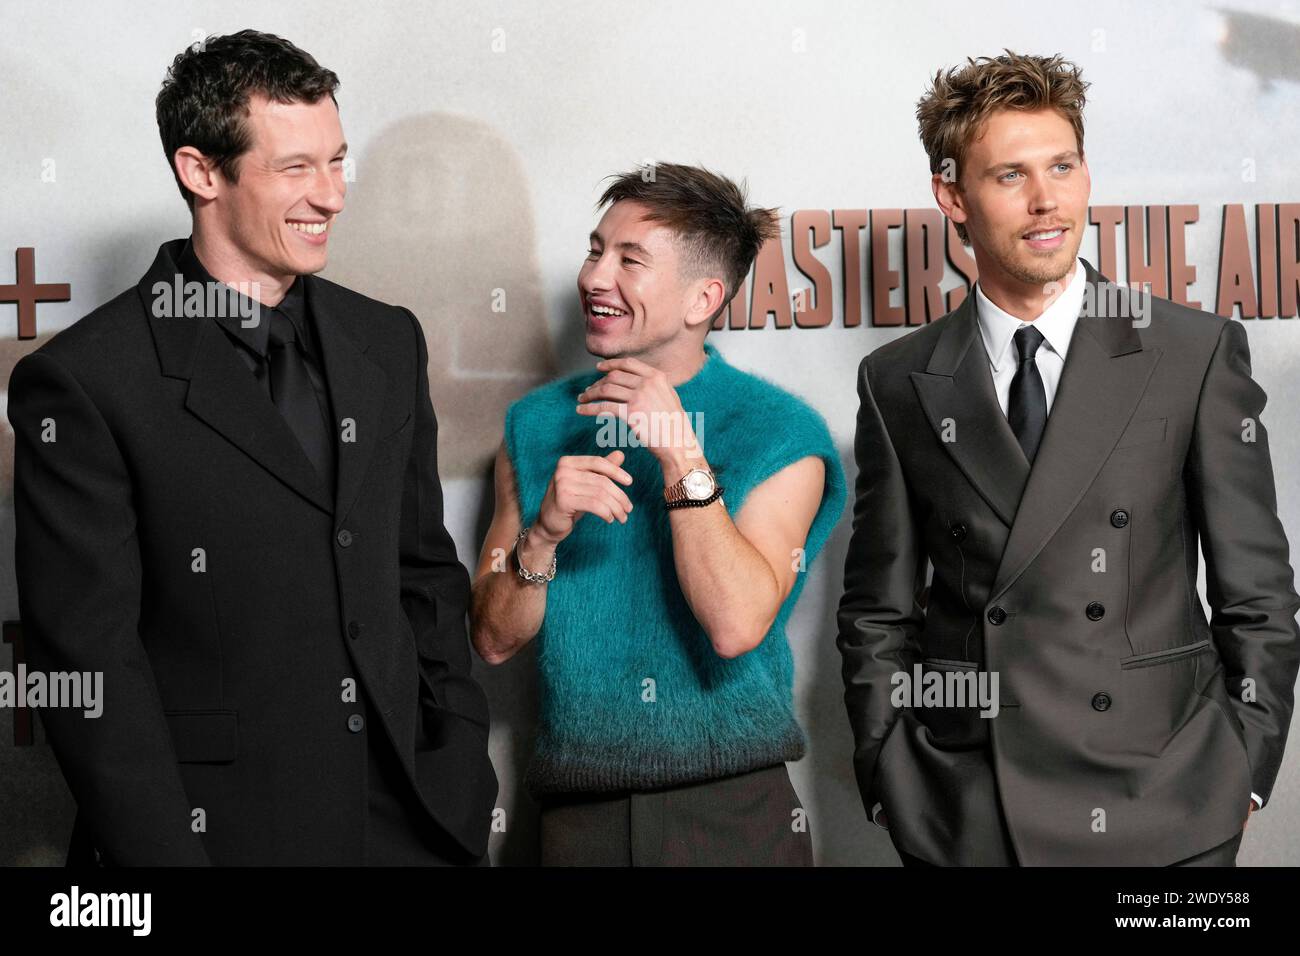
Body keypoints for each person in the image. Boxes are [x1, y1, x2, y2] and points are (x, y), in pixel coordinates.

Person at [9, 29, 497, 865]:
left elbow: (422, 574)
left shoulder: (385, 341)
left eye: (337, 161)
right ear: (201, 172)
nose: (332, 196)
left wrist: (457, 774)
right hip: (226, 837)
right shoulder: (87, 382)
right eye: (296, 168)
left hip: (414, 829)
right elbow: (91, 668)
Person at [837, 50, 1300, 866]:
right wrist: (887, 771)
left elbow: (1257, 595)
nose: (1047, 200)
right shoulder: (898, 380)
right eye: (1010, 175)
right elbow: (878, 611)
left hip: (1167, 802)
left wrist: (1244, 769)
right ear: (953, 196)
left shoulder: (1189, 351)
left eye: (1063, 165)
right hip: (969, 811)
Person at [470, 163, 846, 865]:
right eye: (594, 251)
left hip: (734, 814)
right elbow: (491, 640)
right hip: (576, 819)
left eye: (629, 260)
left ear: (704, 298)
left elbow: (735, 626)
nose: (594, 277)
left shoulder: (780, 432)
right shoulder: (533, 425)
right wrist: (542, 536)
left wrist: (679, 454)